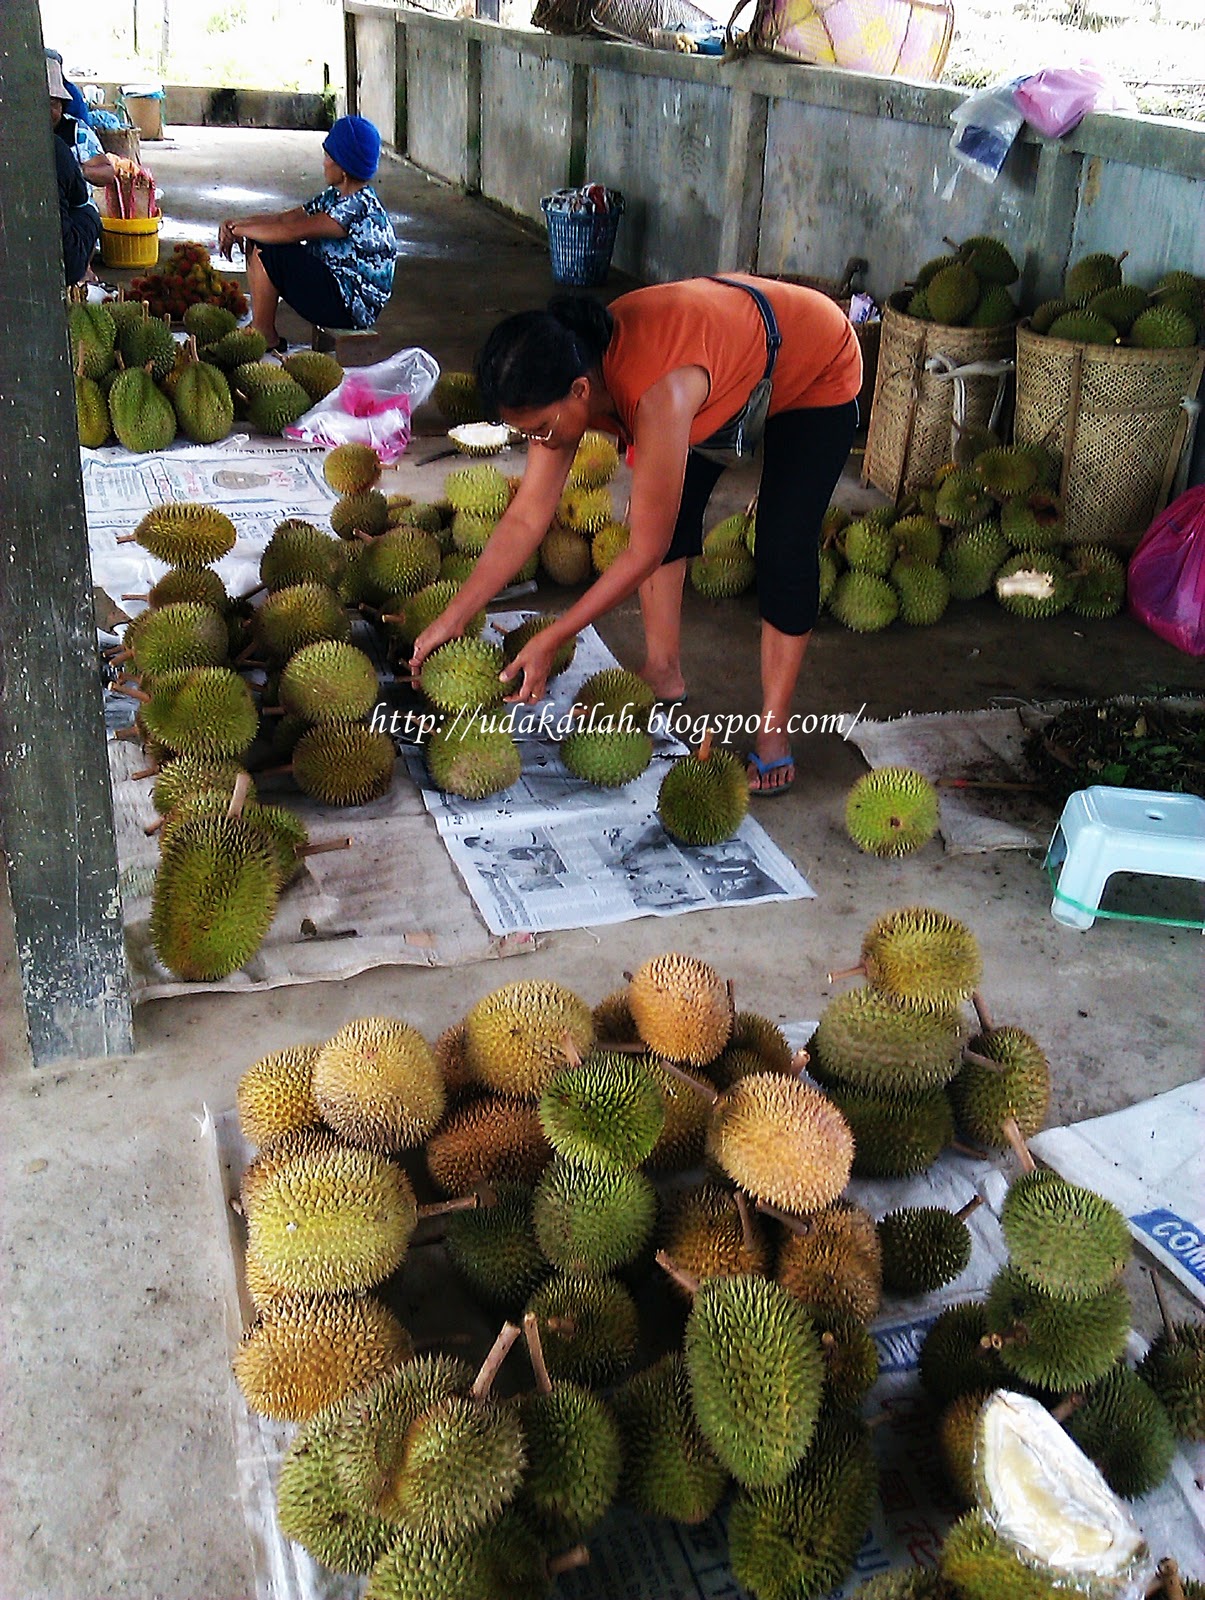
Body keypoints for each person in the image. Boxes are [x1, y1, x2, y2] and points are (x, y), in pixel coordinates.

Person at [409, 276, 862, 795]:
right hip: (723, 365)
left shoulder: (657, 391)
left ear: (581, 390)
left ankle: (775, 726)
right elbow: (526, 518)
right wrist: (456, 614)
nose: (536, 442)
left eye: (537, 429)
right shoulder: (565, 377)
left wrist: (554, 636)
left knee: (783, 546)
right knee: (660, 511)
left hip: (813, 364)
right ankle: (663, 670)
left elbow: (646, 550)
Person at [217, 116, 395, 352]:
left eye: (328, 157)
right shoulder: (334, 197)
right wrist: (236, 224)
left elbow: (290, 231)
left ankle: (264, 334)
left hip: (349, 308)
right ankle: (261, 329)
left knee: (268, 248)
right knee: (261, 237)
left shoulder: (358, 207)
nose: (324, 163)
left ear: (343, 168)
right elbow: (284, 219)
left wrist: (240, 230)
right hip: (335, 289)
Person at [48, 57, 101, 286]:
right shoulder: (57, 147)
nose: (51, 111)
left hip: (64, 218)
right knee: (88, 212)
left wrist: (79, 170)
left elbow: (107, 173)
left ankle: (85, 269)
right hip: (62, 257)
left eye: (55, 103)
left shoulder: (76, 131)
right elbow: (81, 203)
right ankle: (80, 273)